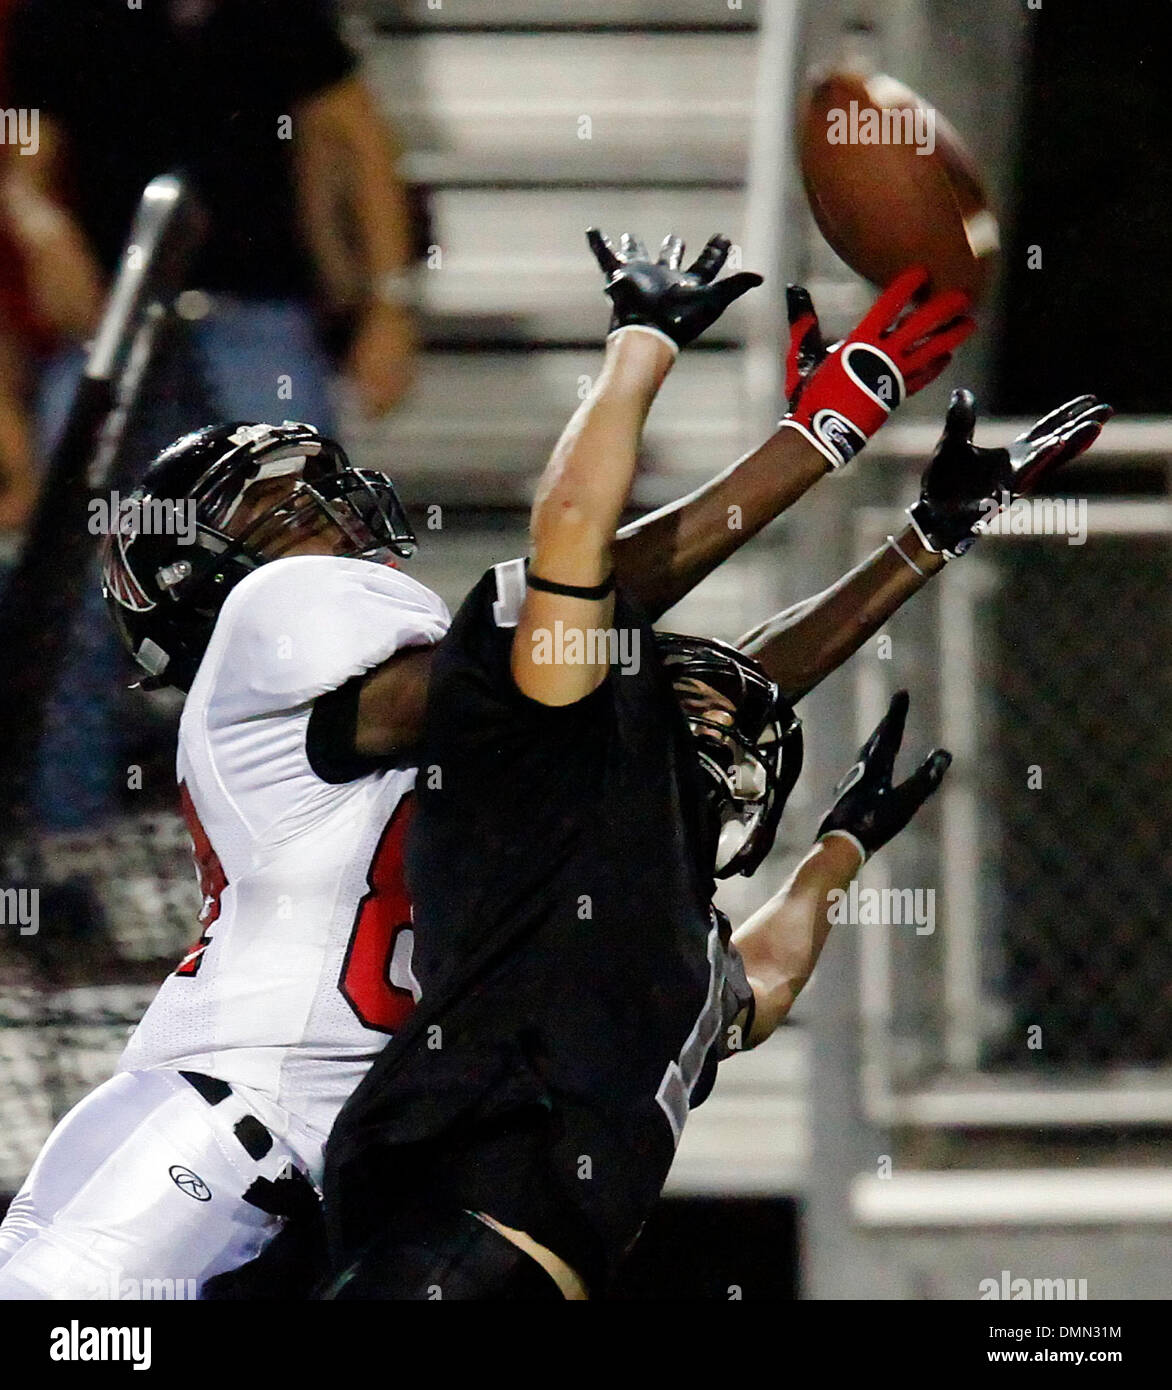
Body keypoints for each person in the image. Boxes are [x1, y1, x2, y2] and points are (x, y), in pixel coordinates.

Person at [0, 218, 1102, 1298]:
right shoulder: (271, 630)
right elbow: (558, 625)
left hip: (338, 1178)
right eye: (273, 506)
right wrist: (812, 439)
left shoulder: (442, 740)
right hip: (211, 1126)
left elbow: (698, 698)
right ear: (211, 581)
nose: (319, 504)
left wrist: (920, 541)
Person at [2, 0, 419, 828]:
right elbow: (25, 158)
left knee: (319, 572)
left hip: (258, 306)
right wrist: (44, 229)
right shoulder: (69, 15)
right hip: (114, 322)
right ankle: (64, 853)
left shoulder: (273, 12)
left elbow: (355, 134)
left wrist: (389, 301)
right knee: (77, 589)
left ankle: (338, 827)